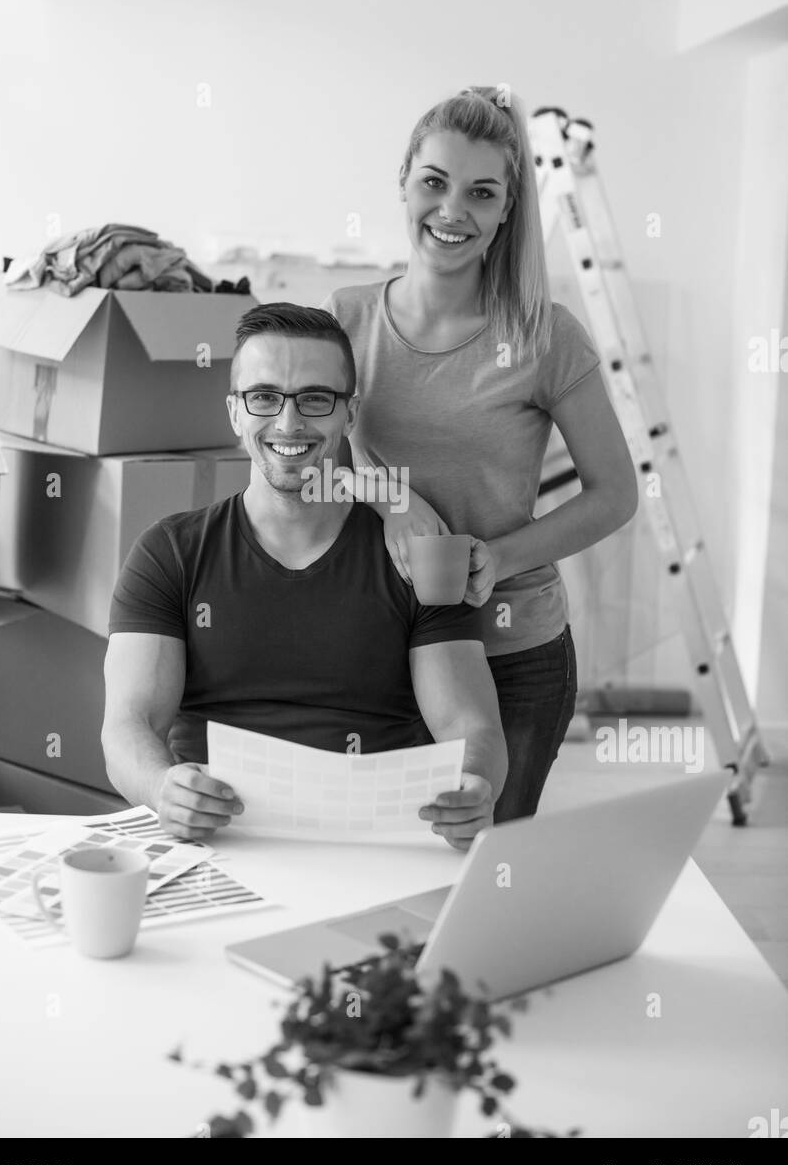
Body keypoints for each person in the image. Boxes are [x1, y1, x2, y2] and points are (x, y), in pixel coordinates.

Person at [323, 85, 639, 823]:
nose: (452, 211)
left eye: (481, 193)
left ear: (505, 212)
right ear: (402, 180)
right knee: (382, 867)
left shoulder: (543, 335)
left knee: (484, 863)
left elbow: (614, 494)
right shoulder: (343, 319)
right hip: (380, 639)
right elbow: (305, 469)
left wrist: (498, 558)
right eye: (433, 182)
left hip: (512, 649)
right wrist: (391, 498)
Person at [102, 303, 507, 851]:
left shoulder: (416, 556)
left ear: (350, 414)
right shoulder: (171, 552)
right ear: (235, 413)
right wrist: (160, 787)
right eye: (264, 397)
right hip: (219, 842)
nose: (288, 424)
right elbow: (129, 725)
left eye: (316, 399)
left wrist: (475, 786)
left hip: (378, 843)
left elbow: (470, 725)